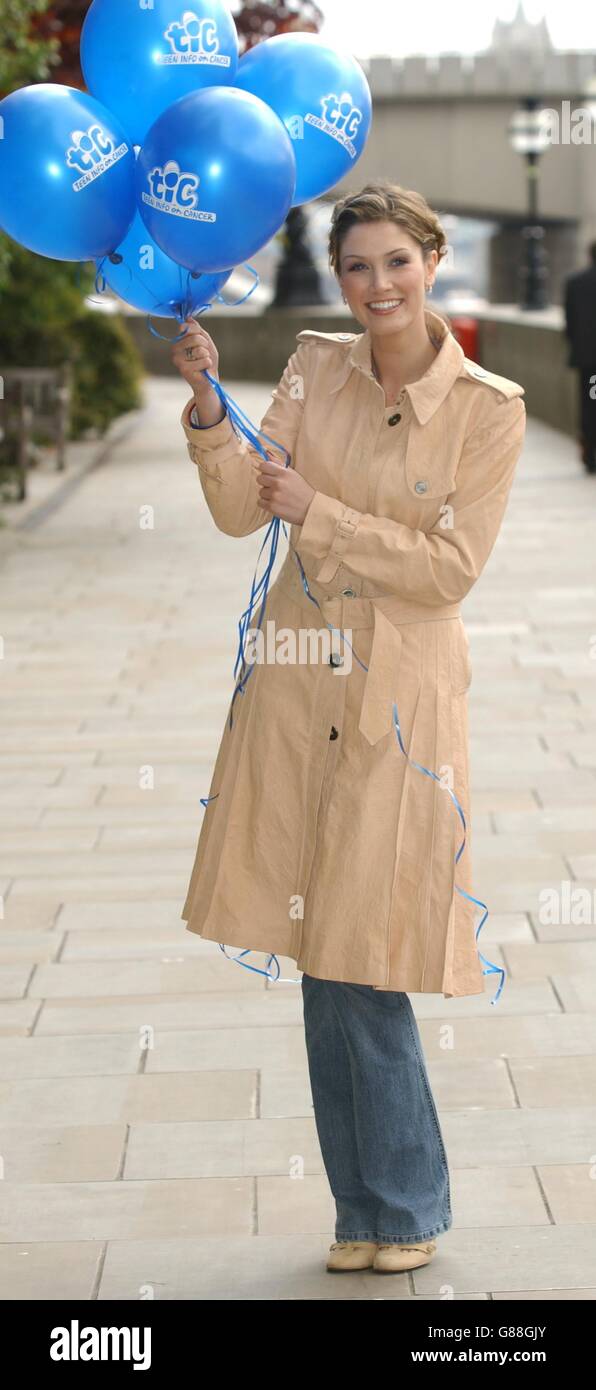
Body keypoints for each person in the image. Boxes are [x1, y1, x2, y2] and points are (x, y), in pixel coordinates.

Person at [171, 180, 526, 1276]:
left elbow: (449, 569)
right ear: (337, 276)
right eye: (357, 266)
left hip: (398, 707)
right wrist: (207, 409)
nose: (378, 285)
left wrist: (320, 515)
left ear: (432, 260)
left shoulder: (489, 409)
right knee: (327, 953)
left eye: (396, 262)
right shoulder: (311, 367)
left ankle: (399, 1208)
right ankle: (370, 1212)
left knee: (356, 952)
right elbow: (241, 508)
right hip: (296, 692)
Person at [563, 240, 596, 474]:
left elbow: (570, 323)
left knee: (589, 404)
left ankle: (590, 455)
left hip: (586, 358)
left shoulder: (575, 282)